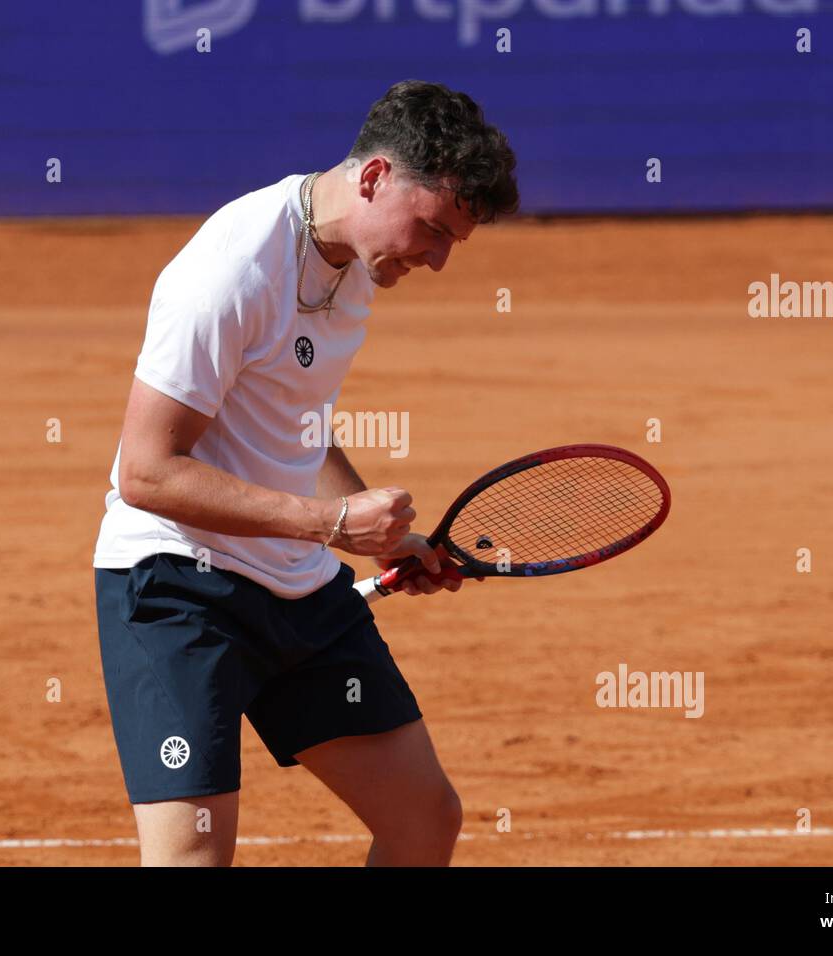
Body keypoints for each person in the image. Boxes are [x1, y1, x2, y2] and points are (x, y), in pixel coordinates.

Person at [93, 79, 520, 866]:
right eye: (432, 230)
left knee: (424, 822)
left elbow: (296, 425)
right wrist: (330, 526)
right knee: (190, 858)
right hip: (177, 585)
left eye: (453, 242)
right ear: (372, 178)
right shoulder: (230, 269)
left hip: (296, 588)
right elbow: (146, 473)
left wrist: (377, 533)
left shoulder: (357, 267)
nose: (436, 260)